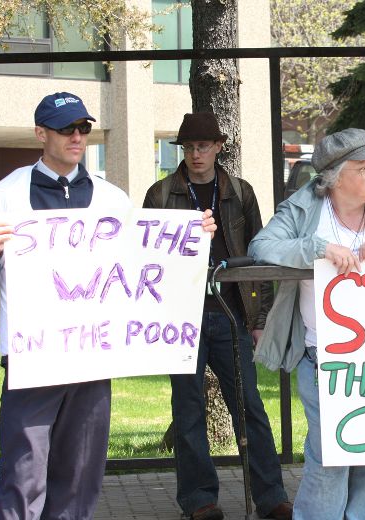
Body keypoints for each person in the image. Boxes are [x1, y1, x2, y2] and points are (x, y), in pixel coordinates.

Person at [0, 92, 215, 520]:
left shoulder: (111, 198)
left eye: (83, 128)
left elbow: (144, 268)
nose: (77, 136)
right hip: (33, 360)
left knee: (80, 478)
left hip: (93, 360)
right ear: (41, 134)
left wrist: (193, 238)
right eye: (66, 129)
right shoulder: (5, 196)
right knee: (22, 476)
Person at [249, 128, 365, 519]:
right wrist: (319, 249)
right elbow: (261, 247)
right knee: (331, 457)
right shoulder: (301, 209)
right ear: (335, 177)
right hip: (324, 355)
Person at [142, 112, 292, 520]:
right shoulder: (160, 195)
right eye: (189, 147)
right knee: (187, 410)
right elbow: (148, 261)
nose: (195, 154)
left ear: (219, 147)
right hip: (181, 318)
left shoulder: (240, 192)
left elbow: (257, 261)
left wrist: (258, 319)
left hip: (230, 314)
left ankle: (270, 495)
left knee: (249, 407)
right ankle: (199, 500)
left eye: (203, 146)